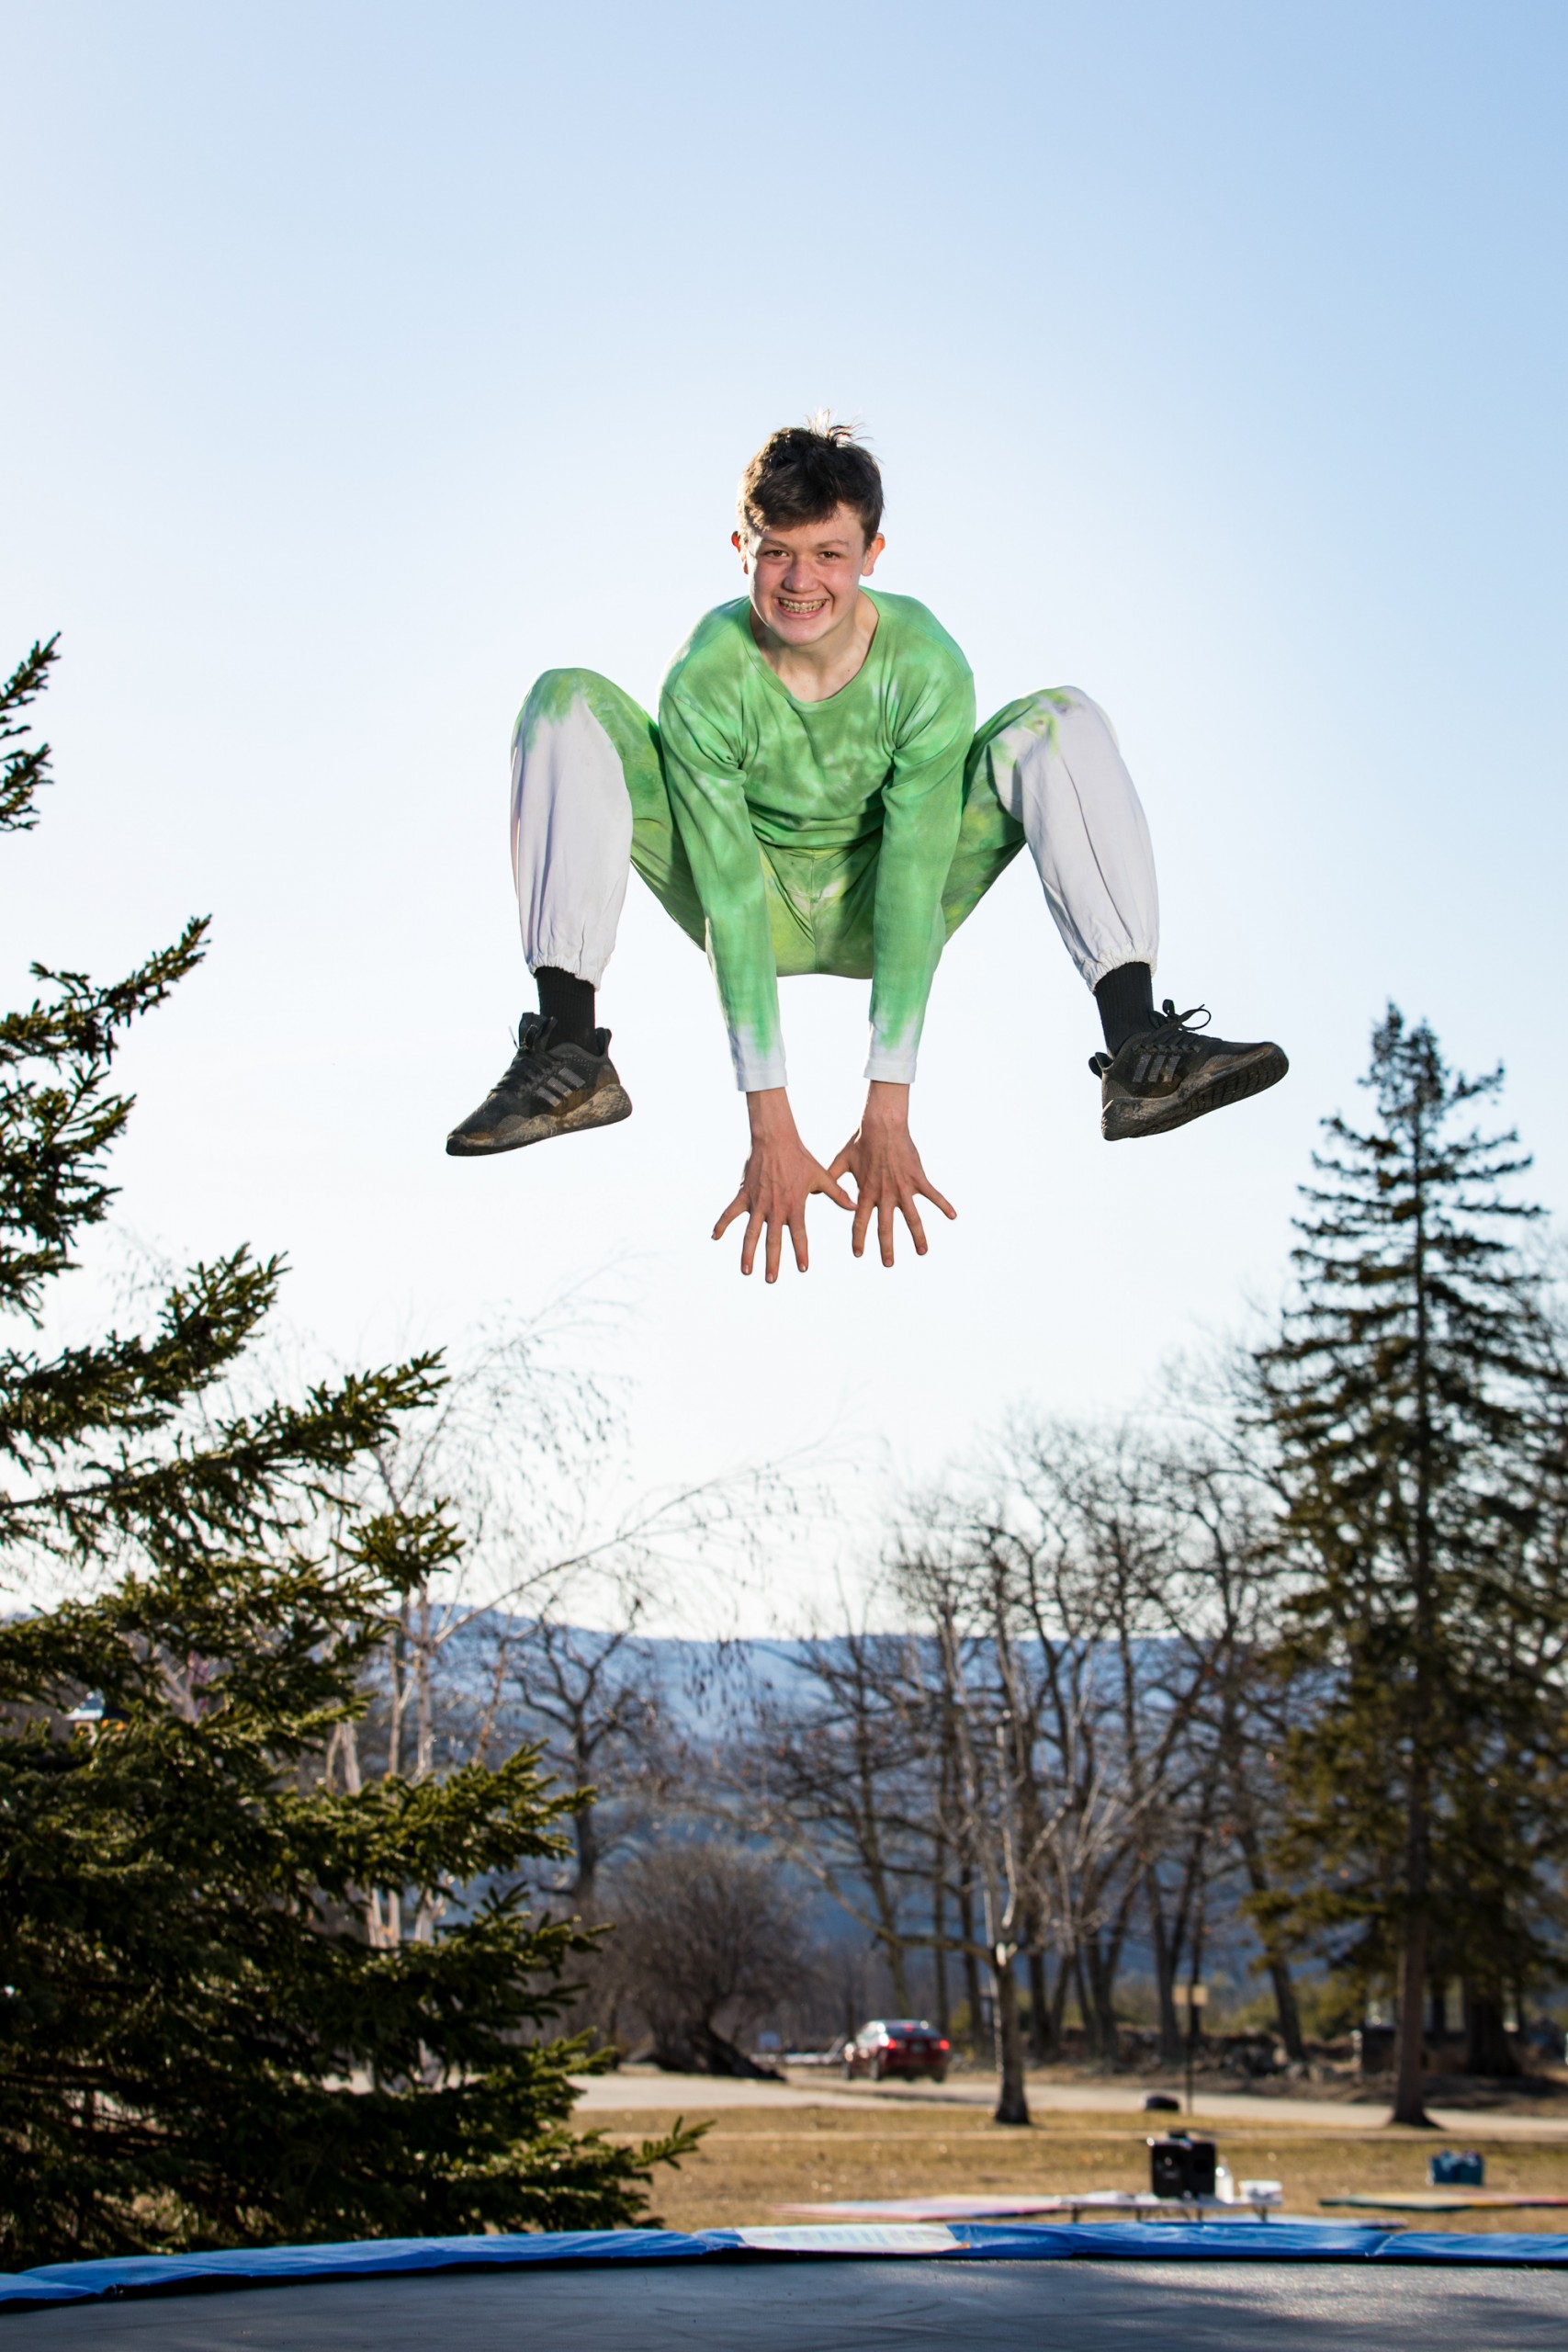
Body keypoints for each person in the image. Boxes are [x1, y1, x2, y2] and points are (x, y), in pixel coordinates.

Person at [447, 416, 1287, 1280]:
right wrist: (769, 1126)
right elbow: (728, 894)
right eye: (777, 553)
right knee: (564, 698)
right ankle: (569, 1048)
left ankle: (1138, 1044)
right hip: (747, 902)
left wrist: (887, 1106)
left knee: (1059, 719)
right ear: (741, 549)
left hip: (881, 902)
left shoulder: (924, 666)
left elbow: (915, 879)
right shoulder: (704, 676)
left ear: (871, 553)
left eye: (829, 554)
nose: (800, 580)